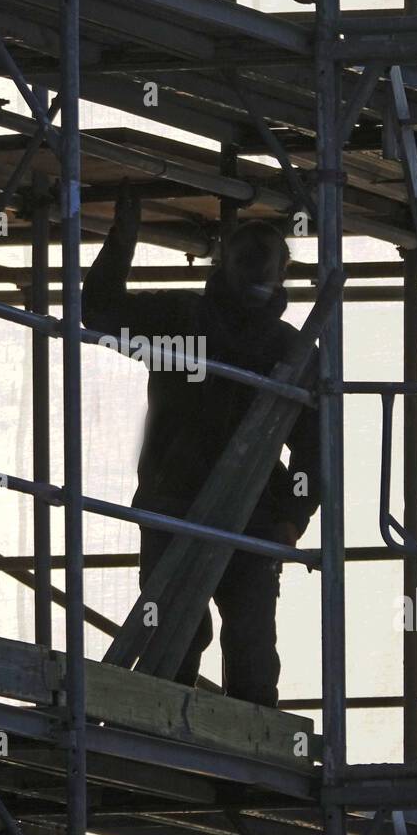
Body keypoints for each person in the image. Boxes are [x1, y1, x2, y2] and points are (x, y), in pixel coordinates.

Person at [82, 181, 320, 707]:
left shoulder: (273, 344)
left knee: (228, 644)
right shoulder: (266, 342)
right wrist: (292, 515)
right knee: (207, 641)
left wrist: (292, 515)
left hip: (216, 509)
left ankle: (212, 751)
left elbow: (315, 447)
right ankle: (214, 756)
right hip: (200, 509)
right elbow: (98, 314)